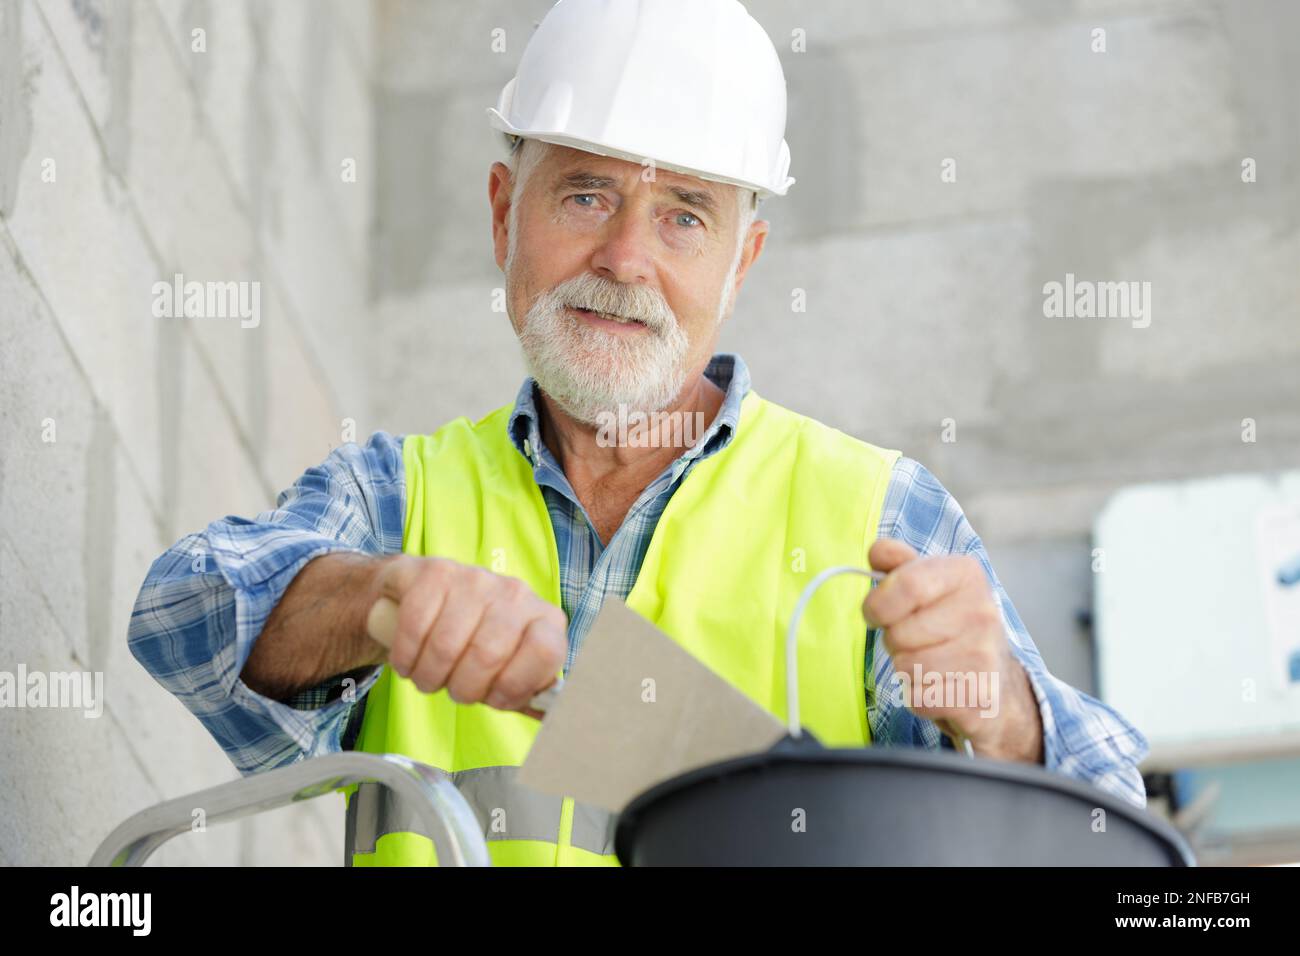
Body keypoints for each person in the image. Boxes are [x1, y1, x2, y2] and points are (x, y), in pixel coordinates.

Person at [128, 0, 1148, 866]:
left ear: (739, 265)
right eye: (585, 192)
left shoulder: (877, 516)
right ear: (502, 214)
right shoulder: (403, 496)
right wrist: (375, 596)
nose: (624, 257)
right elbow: (179, 617)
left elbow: (1119, 843)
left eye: (684, 217)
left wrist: (1005, 713)